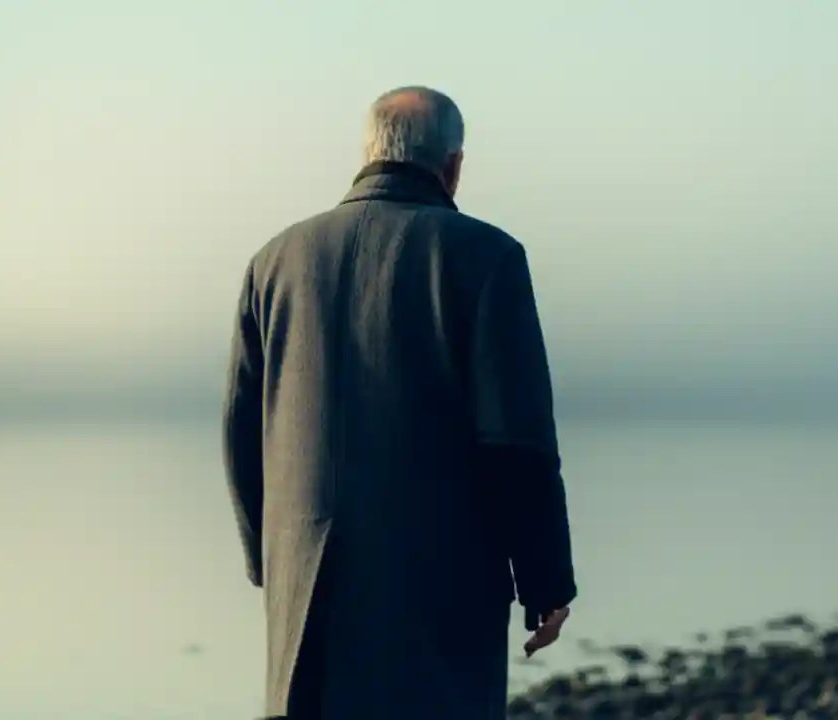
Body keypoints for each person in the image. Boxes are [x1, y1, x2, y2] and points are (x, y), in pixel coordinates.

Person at [222, 86, 578, 719]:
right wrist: (545, 580)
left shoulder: (272, 262)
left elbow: (241, 430)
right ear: (453, 165)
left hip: (304, 589)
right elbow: (516, 442)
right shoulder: (487, 257)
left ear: (367, 153)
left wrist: (267, 560)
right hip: (438, 593)